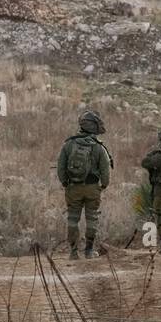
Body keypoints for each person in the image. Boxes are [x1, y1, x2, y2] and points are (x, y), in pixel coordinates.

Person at [56, 110, 113, 259]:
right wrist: (103, 185)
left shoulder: (68, 144)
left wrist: (65, 183)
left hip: (73, 188)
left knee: (73, 219)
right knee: (92, 218)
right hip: (92, 188)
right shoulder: (99, 147)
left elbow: (60, 167)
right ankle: (88, 251)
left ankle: (73, 252)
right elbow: (105, 171)